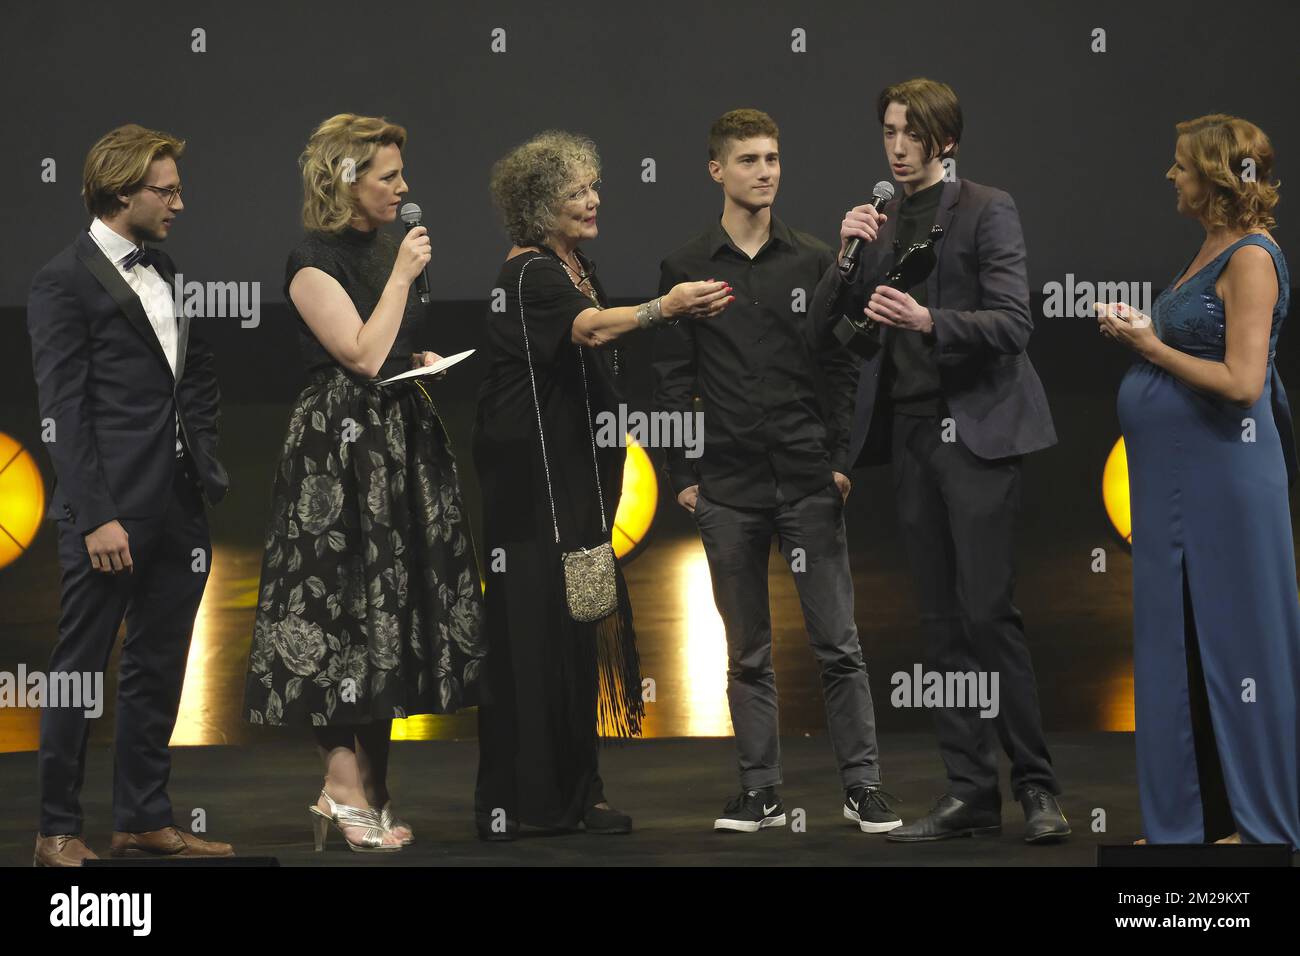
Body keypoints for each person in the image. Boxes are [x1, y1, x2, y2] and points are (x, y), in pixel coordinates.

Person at [813, 78, 1070, 843]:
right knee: (939, 623)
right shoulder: (880, 221)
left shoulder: (987, 208)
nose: (897, 146)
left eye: (912, 133)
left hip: (980, 432)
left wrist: (931, 321)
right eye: (889, 130)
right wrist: (843, 255)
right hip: (916, 436)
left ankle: (1038, 787)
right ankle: (969, 790)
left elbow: (1014, 324)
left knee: (989, 613)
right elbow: (831, 333)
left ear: (945, 142)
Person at [474, 130, 730, 839]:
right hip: (536, 497)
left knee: (576, 638)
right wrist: (665, 308)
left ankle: (580, 790)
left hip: (577, 493)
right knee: (538, 640)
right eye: (575, 193)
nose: (592, 201)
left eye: (592, 186)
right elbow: (587, 332)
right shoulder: (530, 275)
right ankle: (531, 802)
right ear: (537, 208)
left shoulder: (574, 263)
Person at [243, 114, 486, 853]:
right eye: (389, 175)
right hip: (338, 450)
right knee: (333, 610)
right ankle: (342, 785)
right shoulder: (311, 260)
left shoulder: (386, 247)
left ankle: (372, 787)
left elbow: (394, 347)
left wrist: (425, 355)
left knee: (390, 608)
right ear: (346, 179)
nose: (405, 188)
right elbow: (358, 354)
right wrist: (405, 279)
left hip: (400, 441)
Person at [653, 109, 900, 834]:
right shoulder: (686, 267)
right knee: (745, 650)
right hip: (726, 487)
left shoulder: (817, 260)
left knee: (839, 644)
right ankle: (759, 790)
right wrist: (685, 478)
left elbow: (842, 363)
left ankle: (863, 787)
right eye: (750, 159)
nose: (766, 171)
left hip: (804, 479)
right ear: (717, 170)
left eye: (773, 158)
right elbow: (673, 377)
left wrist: (839, 462)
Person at [27, 123, 233, 865]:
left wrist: (199, 448)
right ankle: (56, 830)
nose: (180, 200)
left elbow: (195, 371)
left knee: (160, 661)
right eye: (165, 189)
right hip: (108, 513)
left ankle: (143, 818)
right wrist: (94, 515)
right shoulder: (62, 279)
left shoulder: (166, 267)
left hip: (179, 503)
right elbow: (64, 410)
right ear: (121, 193)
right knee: (80, 668)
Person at [1101, 114, 1300, 850]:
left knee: (1239, 644)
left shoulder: (1251, 257)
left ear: (1215, 178)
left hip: (1225, 479)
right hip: (1179, 484)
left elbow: (1245, 383)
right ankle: (1196, 821)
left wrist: (1147, 343)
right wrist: (1142, 340)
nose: (1171, 176)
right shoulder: (1212, 246)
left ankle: (1261, 823)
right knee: (1181, 639)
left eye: (1182, 166)